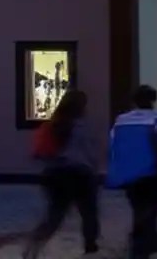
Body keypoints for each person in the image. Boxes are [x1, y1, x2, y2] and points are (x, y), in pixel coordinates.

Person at [107, 85, 157, 258]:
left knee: (138, 207)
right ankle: (141, 245)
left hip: (130, 172)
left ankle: (150, 241)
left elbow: (113, 142)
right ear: (154, 100)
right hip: (155, 172)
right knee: (153, 207)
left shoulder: (121, 121)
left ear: (134, 101)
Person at [24, 90, 100, 257]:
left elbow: (41, 153)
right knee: (89, 214)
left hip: (55, 174)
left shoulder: (53, 124)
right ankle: (90, 248)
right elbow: (90, 153)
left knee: (54, 216)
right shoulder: (83, 127)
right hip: (80, 175)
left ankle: (34, 244)